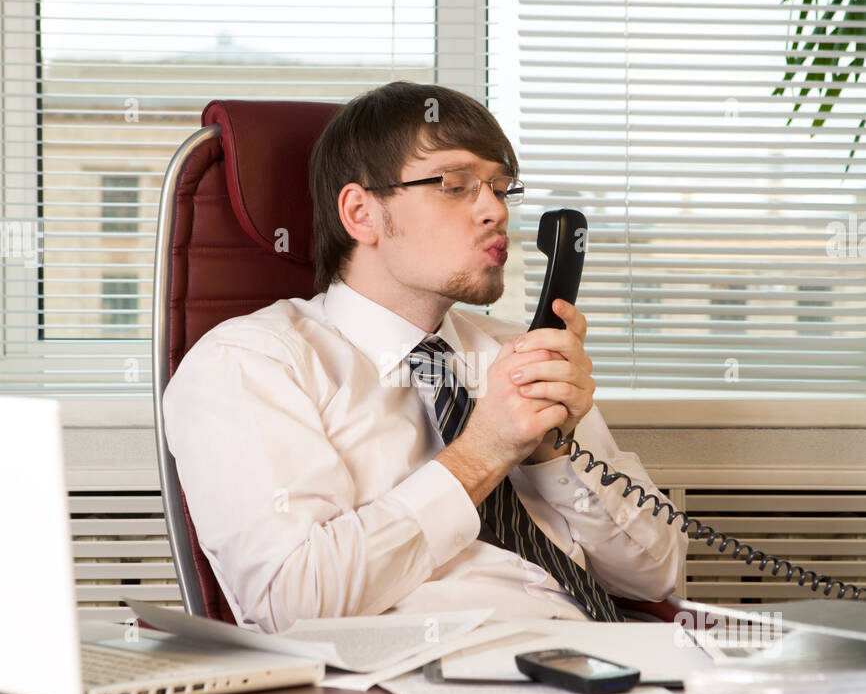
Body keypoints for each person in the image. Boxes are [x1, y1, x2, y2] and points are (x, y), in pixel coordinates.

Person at [163, 81, 687, 633]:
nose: (494, 211)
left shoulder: (518, 352)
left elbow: (653, 579)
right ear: (362, 213)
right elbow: (290, 606)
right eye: (455, 185)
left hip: (611, 663)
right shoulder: (251, 362)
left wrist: (552, 454)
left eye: (502, 189)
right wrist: (482, 453)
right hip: (427, 687)